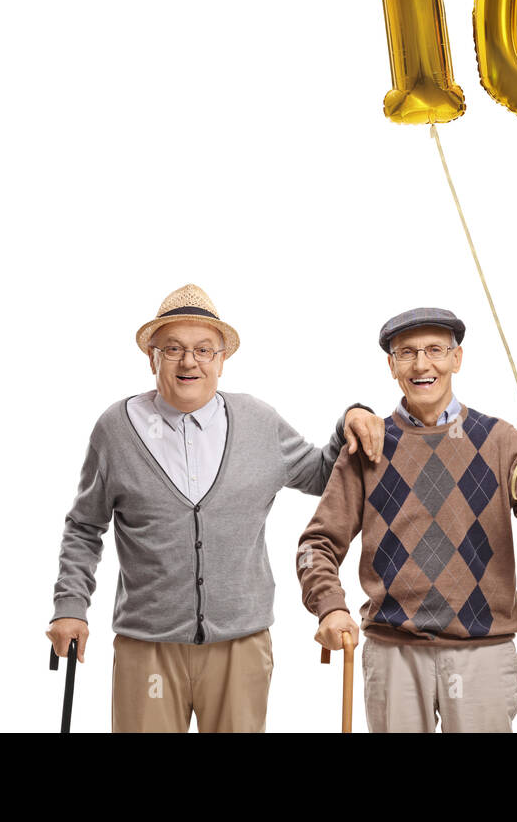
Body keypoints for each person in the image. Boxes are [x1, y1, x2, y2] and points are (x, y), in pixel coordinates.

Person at [46, 283, 384, 733]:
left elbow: (324, 475)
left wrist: (350, 419)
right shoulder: (115, 430)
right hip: (147, 645)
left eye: (204, 349)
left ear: (222, 360)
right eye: (174, 349)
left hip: (240, 645)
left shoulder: (259, 424)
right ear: (153, 357)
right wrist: (70, 605)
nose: (190, 362)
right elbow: (85, 525)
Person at [295, 307, 517, 732]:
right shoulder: (369, 445)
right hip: (393, 652)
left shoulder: (499, 440)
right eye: (407, 353)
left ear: (457, 359)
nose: (422, 364)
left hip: (482, 650)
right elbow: (317, 544)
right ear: (392, 366)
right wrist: (329, 608)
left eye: (435, 350)